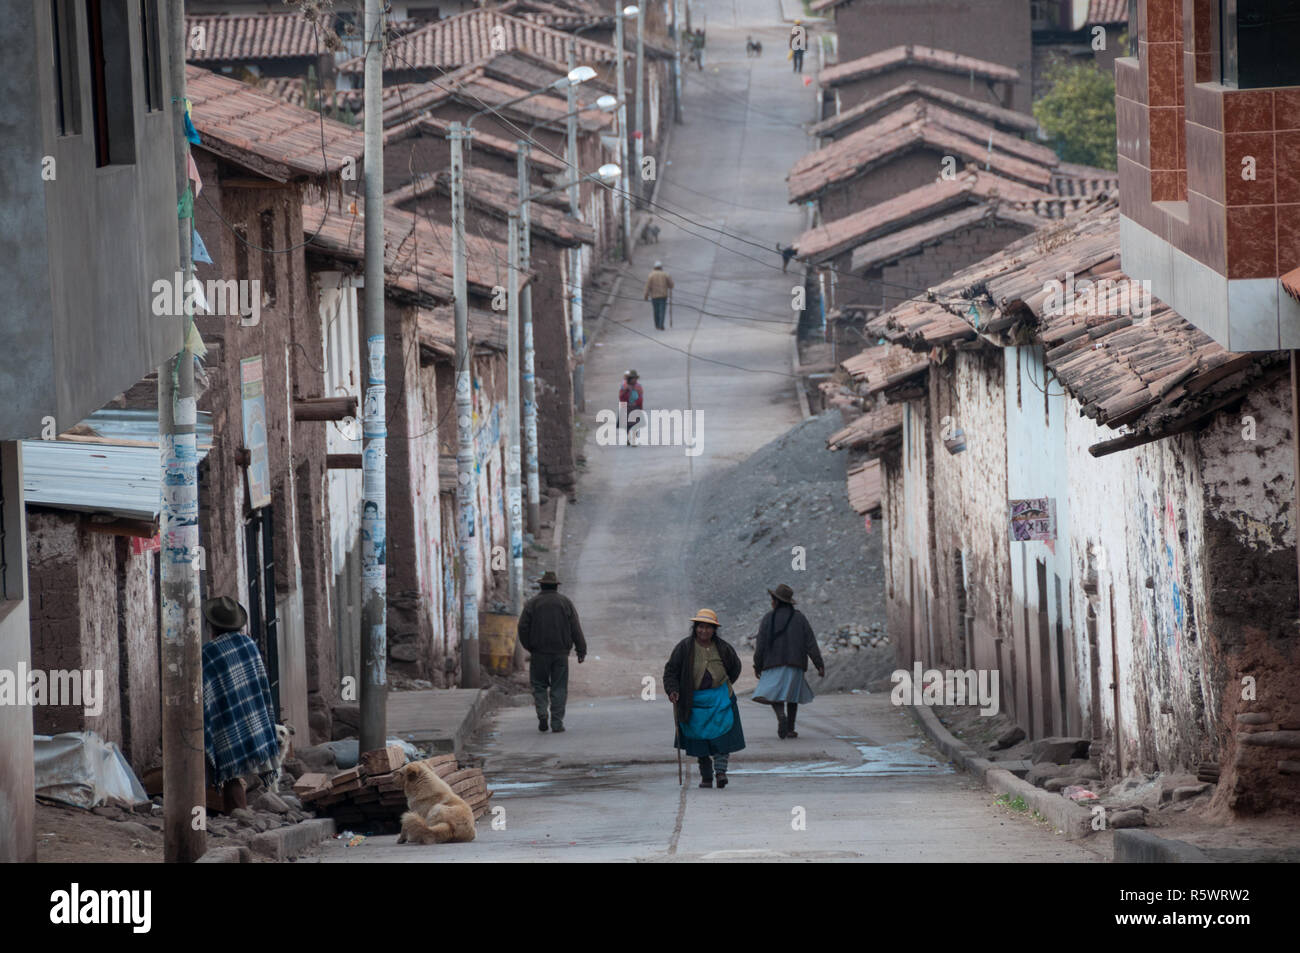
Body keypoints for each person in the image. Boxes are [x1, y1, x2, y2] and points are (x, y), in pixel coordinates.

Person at [201, 596, 280, 812]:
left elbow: (205, 693)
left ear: (211, 625)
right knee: (232, 776)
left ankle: (235, 814)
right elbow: (261, 686)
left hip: (226, 723)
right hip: (252, 720)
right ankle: (236, 814)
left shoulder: (209, 653)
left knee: (229, 774)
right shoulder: (248, 645)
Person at [664, 609, 746, 788]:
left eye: (709, 628)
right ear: (695, 628)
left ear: (714, 630)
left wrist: (725, 684)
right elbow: (671, 671)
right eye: (701, 627)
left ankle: (721, 772)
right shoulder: (684, 648)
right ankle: (706, 776)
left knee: (722, 736)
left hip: (720, 698)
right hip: (694, 700)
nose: (704, 631)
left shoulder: (723, 648)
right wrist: (673, 690)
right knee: (699, 739)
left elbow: (735, 667)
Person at [752, 584, 825, 739]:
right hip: (796, 663)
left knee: (773, 694)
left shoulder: (768, 618)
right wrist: (819, 664)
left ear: (776, 601)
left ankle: (780, 716)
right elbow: (810, 642)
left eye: (772, 599)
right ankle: (790, 728)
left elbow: (760, 645)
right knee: (793, 696)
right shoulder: (800, 618)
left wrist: (757, 665)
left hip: (772, 663)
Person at [517, 570, 587, 732]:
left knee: (539, 685)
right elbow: (575, 628)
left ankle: (542, 713)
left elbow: (522, 628)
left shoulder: (532, 604)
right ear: (556, 586)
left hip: (539, 653)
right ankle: (556, 723)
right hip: (560, 653)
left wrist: (530, 646)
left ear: (541, 585)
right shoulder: (565, 603)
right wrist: (581, 650)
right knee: (559, 687)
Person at [643, 261, 674, 330]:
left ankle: (657, 325)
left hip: (654, 296)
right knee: (662, 310)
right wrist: (669, 286)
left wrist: (646, 296)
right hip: (663, 296)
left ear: (654, 267)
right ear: (661, 267)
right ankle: (661, 325)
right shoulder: (665, 274)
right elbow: (671, 285)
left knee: (656, 310)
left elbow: (647, 286)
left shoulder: (651, 275)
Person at [618, 370, 645, 446]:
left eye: (635, 378)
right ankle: (629, 438)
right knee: (628, 425)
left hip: (636, 408)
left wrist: (638, 405)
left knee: (635, 425)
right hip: (627, 408)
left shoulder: (638, 387)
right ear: (630, 379)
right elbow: (621, 397)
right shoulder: (624, 387)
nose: (635, 380)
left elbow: (640, 398)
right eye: (633, 378)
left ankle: (633, 439)